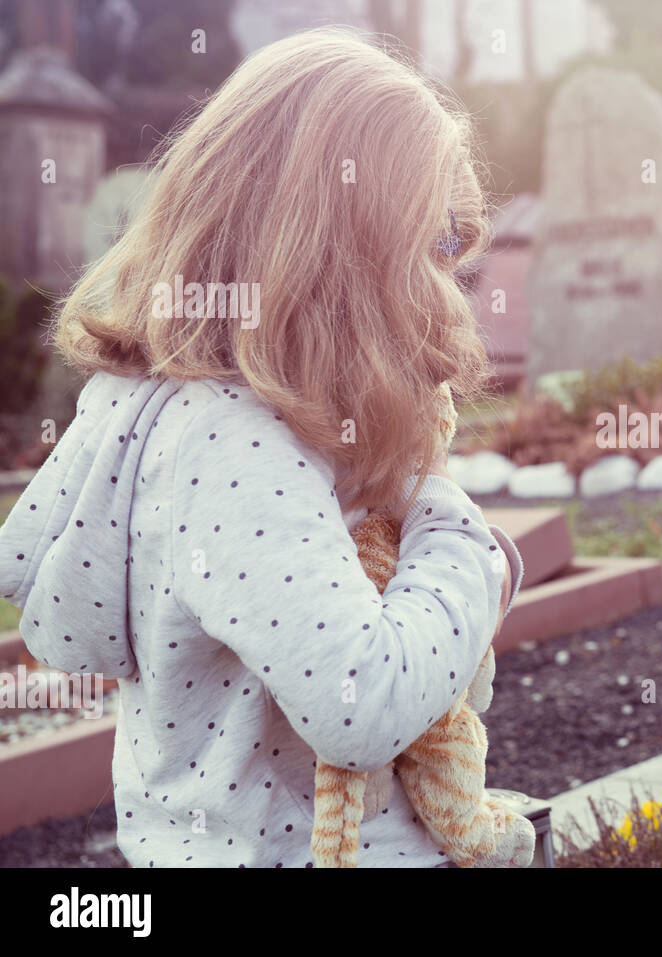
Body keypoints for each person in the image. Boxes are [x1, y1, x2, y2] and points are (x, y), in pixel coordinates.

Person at [0, 27, 521, 868]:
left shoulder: (142, 403)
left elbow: (41, 582)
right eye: (437, 246)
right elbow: (362, 704)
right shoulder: (238, 446)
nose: (448, 285)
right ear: (351, 251)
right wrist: (465, 544)